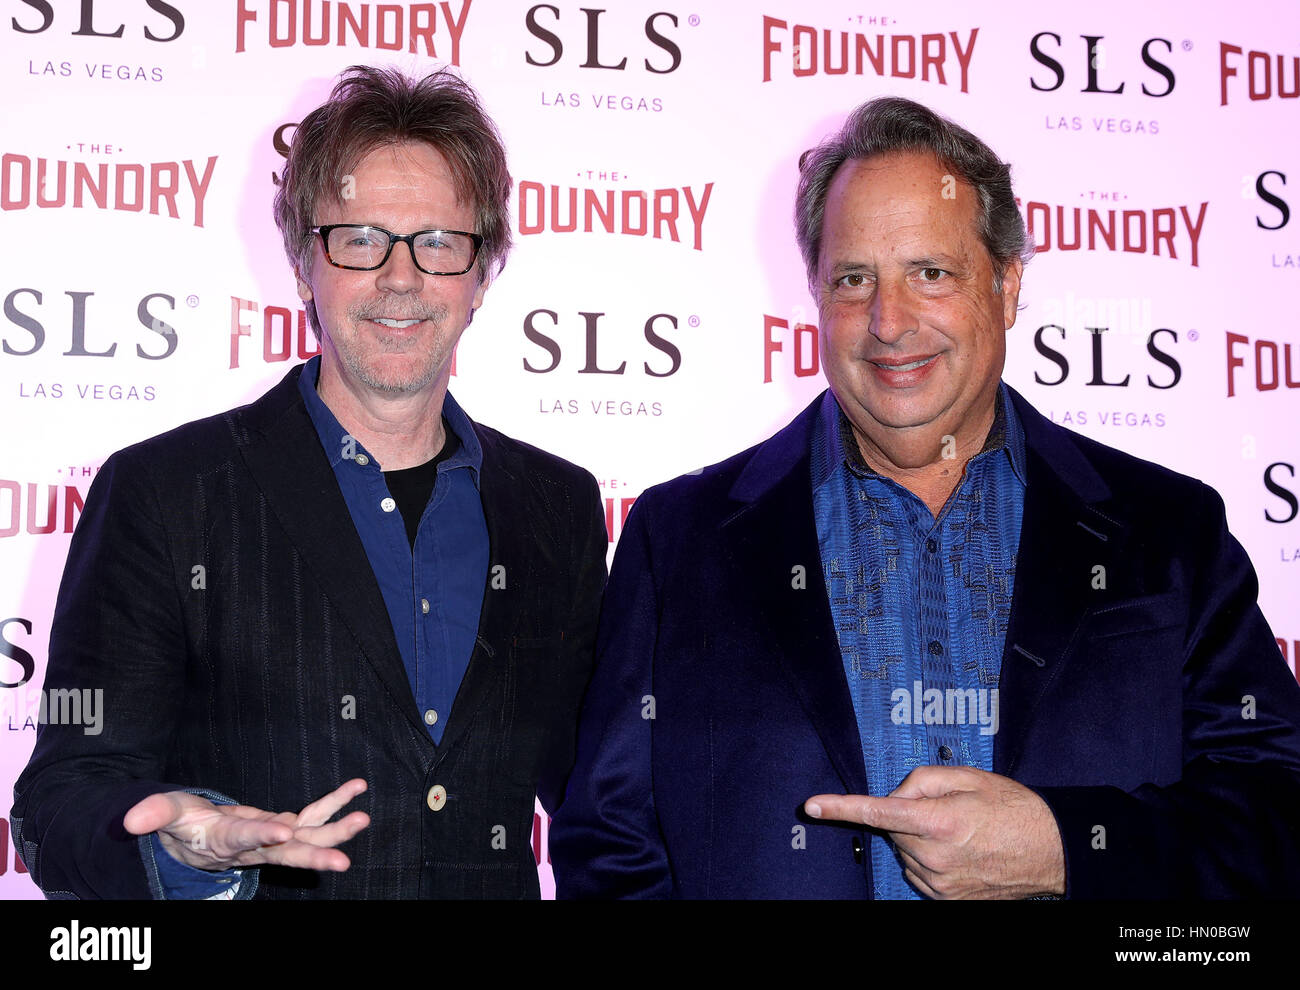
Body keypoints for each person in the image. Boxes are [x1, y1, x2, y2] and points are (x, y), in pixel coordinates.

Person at [549, 96, 1300, 899]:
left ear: (1007, 286)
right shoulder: (680, 541)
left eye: (931, 273)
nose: (889, 321)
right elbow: (610, 846)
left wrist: (1063, 846)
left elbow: (1279, 812)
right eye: (853, 278)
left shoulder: (1167, 532)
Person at [10, 65, 607, 900]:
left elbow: (604, 798)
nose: (400, 278)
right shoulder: (164, 494)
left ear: (482, 275)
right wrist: (187, 852)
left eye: (438, 242)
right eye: (360, 238)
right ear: (303, 265)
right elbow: (57, 801)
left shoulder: (559, 506)